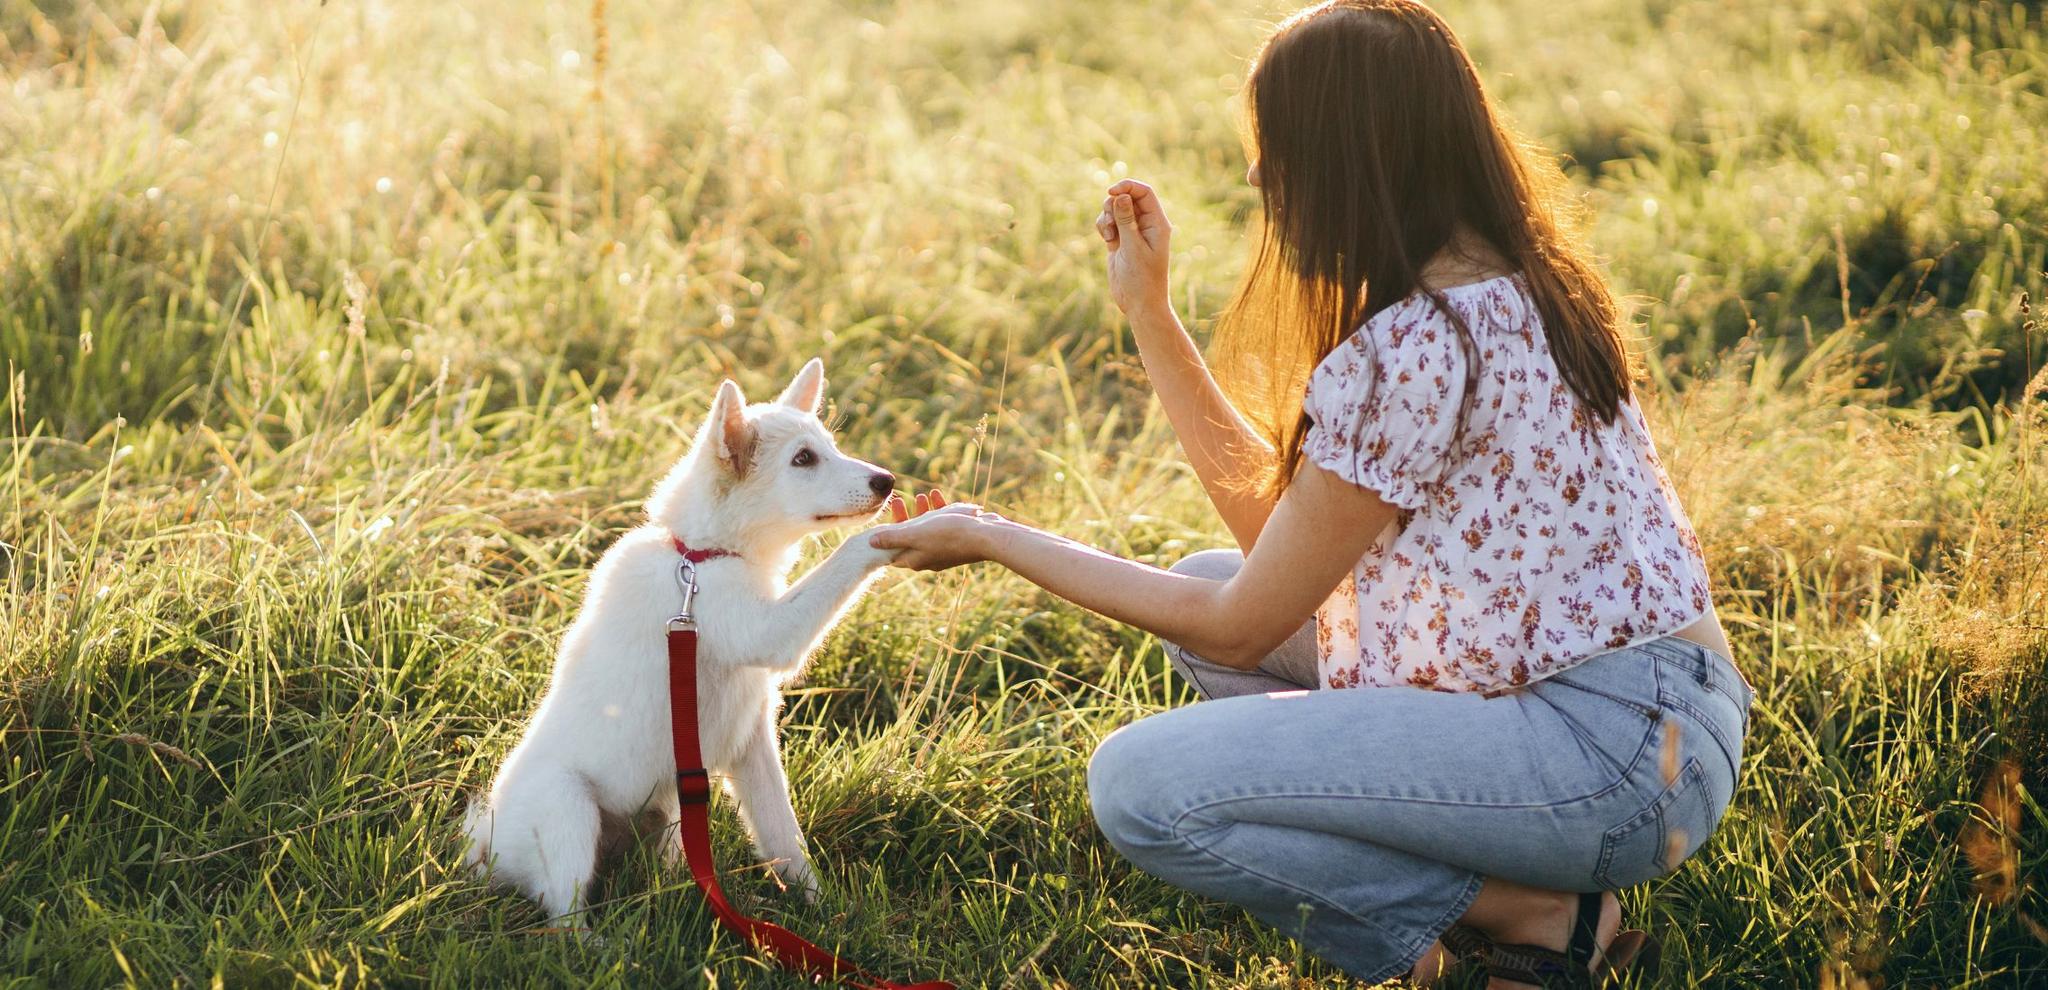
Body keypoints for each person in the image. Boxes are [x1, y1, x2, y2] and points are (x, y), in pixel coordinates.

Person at [870, 1, 1751, 985]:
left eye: (1271, 149)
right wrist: (1149, 315)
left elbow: (1242, 628)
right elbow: (1277, 553)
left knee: (1140, 787)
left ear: (1344, 156)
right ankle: (1533, 907)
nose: (1255, 177)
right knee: (1202, 581)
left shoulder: (1415, 345)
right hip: (1663, 728)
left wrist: (991, 536)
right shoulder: (1520, 286)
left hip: (1608, 764)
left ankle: (1532, 911)